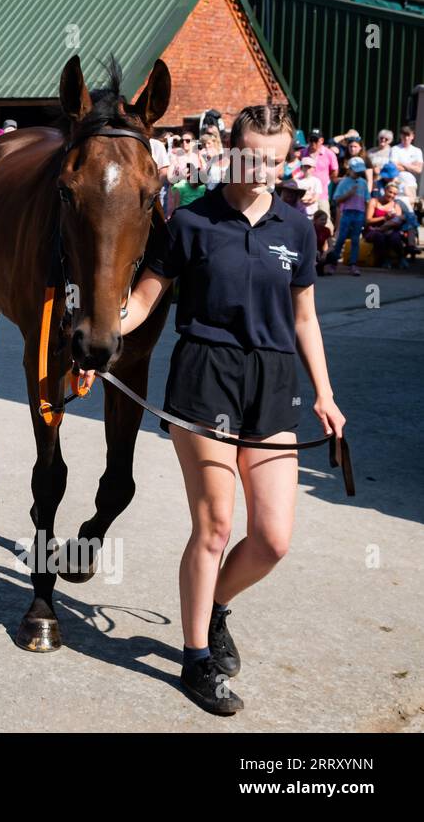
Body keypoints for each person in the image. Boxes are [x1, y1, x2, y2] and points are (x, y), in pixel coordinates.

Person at [81, 104, 344, 716]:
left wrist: (325, 394)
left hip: (274, 382)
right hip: (206, 378)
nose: (263, 170)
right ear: (231, 150)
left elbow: (305, 318)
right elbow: (143, 301)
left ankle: (215, 605)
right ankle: (196, 656)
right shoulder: (192, 222)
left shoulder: (296, 228)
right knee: (216, 527)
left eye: (276, 159)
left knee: (273, 539)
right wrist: (97, 342)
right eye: (252, 155)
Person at [326, 157, 370, 276]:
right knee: (341, 239)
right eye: (355, 171)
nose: (357, 173)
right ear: (349, 169)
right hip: (347, 213)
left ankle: (353, 264)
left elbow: (366, 200)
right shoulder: (344, 182)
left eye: (359, 171)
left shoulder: (363, 182)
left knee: (355, 239)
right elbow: (337, 199)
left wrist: (366, 216)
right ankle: (333, 263)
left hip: (359, 213)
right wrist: (349, 194)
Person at [364, 178, 406, 267]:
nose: (392, 195)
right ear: (385, 190)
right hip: (372, 230)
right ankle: (384, 260)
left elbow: (398, 221)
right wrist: (384, 218)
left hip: (389, 230)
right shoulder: (374, 201)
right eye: (390, 192)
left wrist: (391, 222)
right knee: (380, 236)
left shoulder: (396, 205)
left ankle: (401, 258)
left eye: (395, 194)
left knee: (395, 237)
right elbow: (368, 220)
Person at [388, 126, 422, 200]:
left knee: (410, 209)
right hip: (396, 184)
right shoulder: (394, 149)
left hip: (411, 184)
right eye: (404, 135)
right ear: (401, 136)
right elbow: (393, 167)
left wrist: (401, 163)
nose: (406, 138)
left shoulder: (417, 151)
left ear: (412, 136)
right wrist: (412, 166)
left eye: (408, 135)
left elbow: (419, 170)